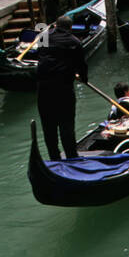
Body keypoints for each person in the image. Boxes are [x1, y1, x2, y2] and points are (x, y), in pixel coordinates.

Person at [36, 17, 89, 162]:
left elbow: (40, 56)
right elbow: (82, 66)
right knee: (66, 125)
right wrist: (82, 78)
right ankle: (71, 156)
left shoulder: (43, 37)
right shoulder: (75, 42)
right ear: (70, 28)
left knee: (49, 127)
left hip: (44, 89)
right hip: (63, 89)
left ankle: (54, 158)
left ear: (55, 25)